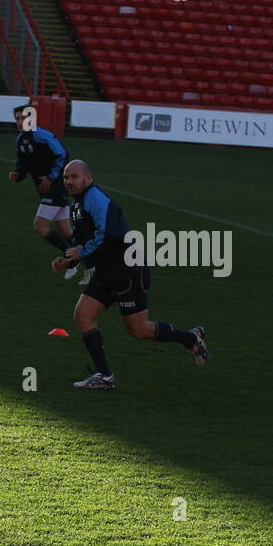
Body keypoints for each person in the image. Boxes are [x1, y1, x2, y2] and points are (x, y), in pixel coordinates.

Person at [53, 160, 209, 389]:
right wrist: (68, 260)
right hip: (107, 271)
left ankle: (190, 339)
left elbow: (110, 235)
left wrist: (82, 252)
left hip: (128, 271)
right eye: (66, 178)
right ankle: (104, 376)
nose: (69, 182)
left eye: (74, 177)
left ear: (88, 178)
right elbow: (82, 237)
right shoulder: (77, 204)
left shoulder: (97, 200)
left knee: (139, 330)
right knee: (83, 315)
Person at [9, 104, 80, 281]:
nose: (19, 122)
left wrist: (51, 176)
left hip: (56, 186)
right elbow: (22, 162)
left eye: (23, 118)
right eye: (17, 118)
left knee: (40, 227)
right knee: (65, 231)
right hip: (46, 188)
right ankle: (91, 260)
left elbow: (63, 155)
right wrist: (18, 174)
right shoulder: (21, 139)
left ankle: (72, 258)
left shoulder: (42, 136)